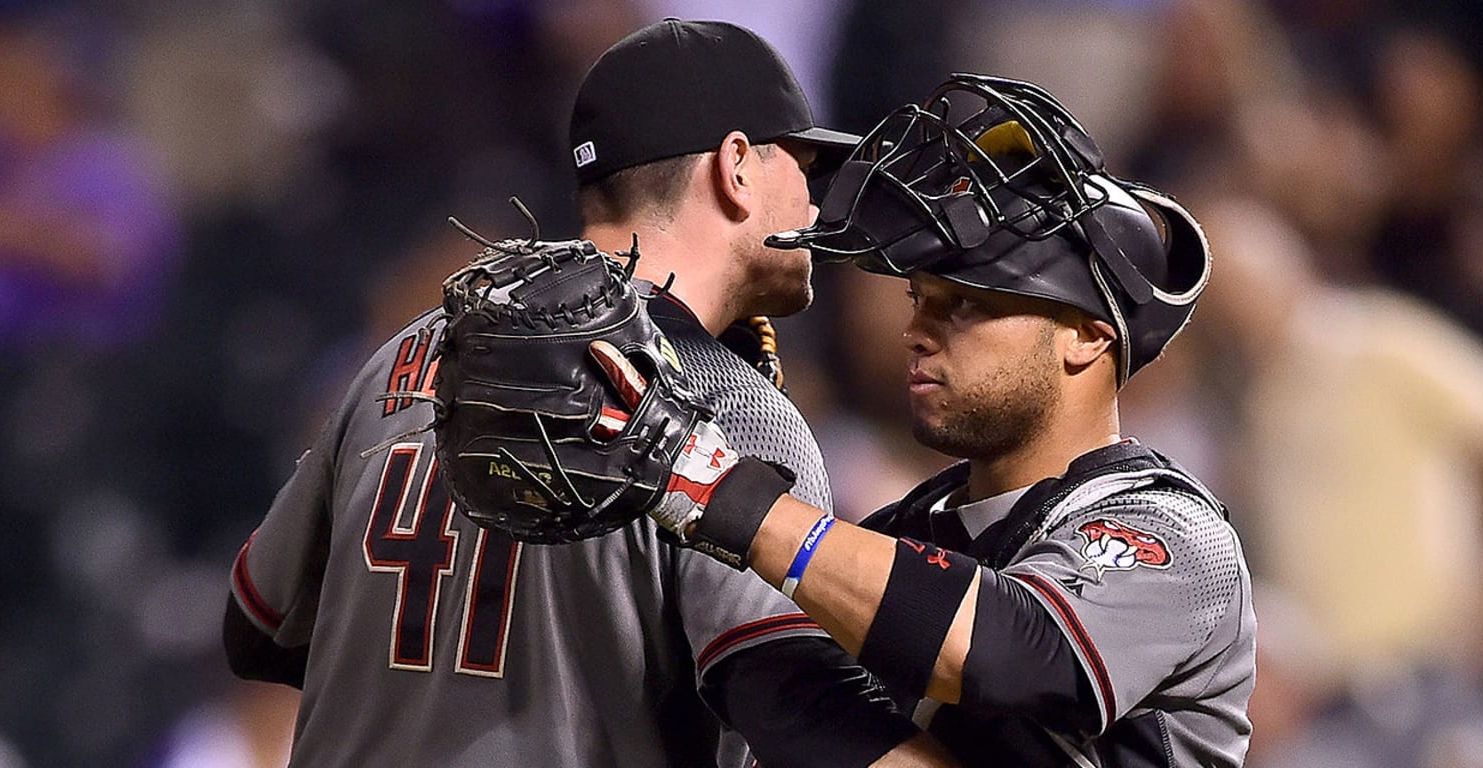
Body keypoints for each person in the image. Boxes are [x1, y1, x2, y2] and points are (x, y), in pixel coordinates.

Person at [222, 18, 951, 768]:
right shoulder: (732, 404)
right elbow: (796, 709)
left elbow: (255, 626)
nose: (813, 204)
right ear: (736, 167)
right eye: (804, 166)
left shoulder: (405, 352)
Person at [586, 74, 1256, 767]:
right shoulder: (895, 539)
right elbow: (783, 695)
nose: (914, 332)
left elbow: (1016, 653)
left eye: (963, 303)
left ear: (1086, 336)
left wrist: (722, 493)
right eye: (918, 298)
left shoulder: (1175, 535)